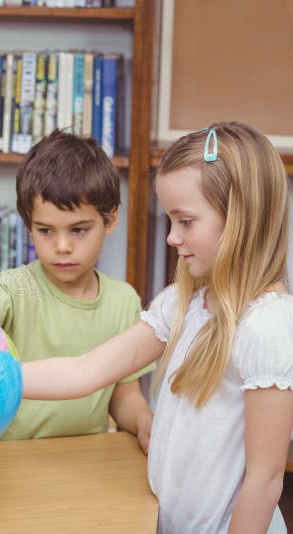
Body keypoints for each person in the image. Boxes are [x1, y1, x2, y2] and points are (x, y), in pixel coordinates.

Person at [20, 122, 293, 533]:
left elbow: (265, 480)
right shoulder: (182, 304)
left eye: (185, 221)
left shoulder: (268, 326)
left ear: (241, 219)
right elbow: (86, 371)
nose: (170, 237)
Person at [0, 129, 156, 491]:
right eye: (45, 230)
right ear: (28, 225)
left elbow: (124, 395)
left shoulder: (125, 301)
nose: (62, 246)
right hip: (11, 466)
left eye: (78, 230)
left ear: (110, 220)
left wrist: (143, 422)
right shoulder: (12, 287)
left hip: (85, 467)